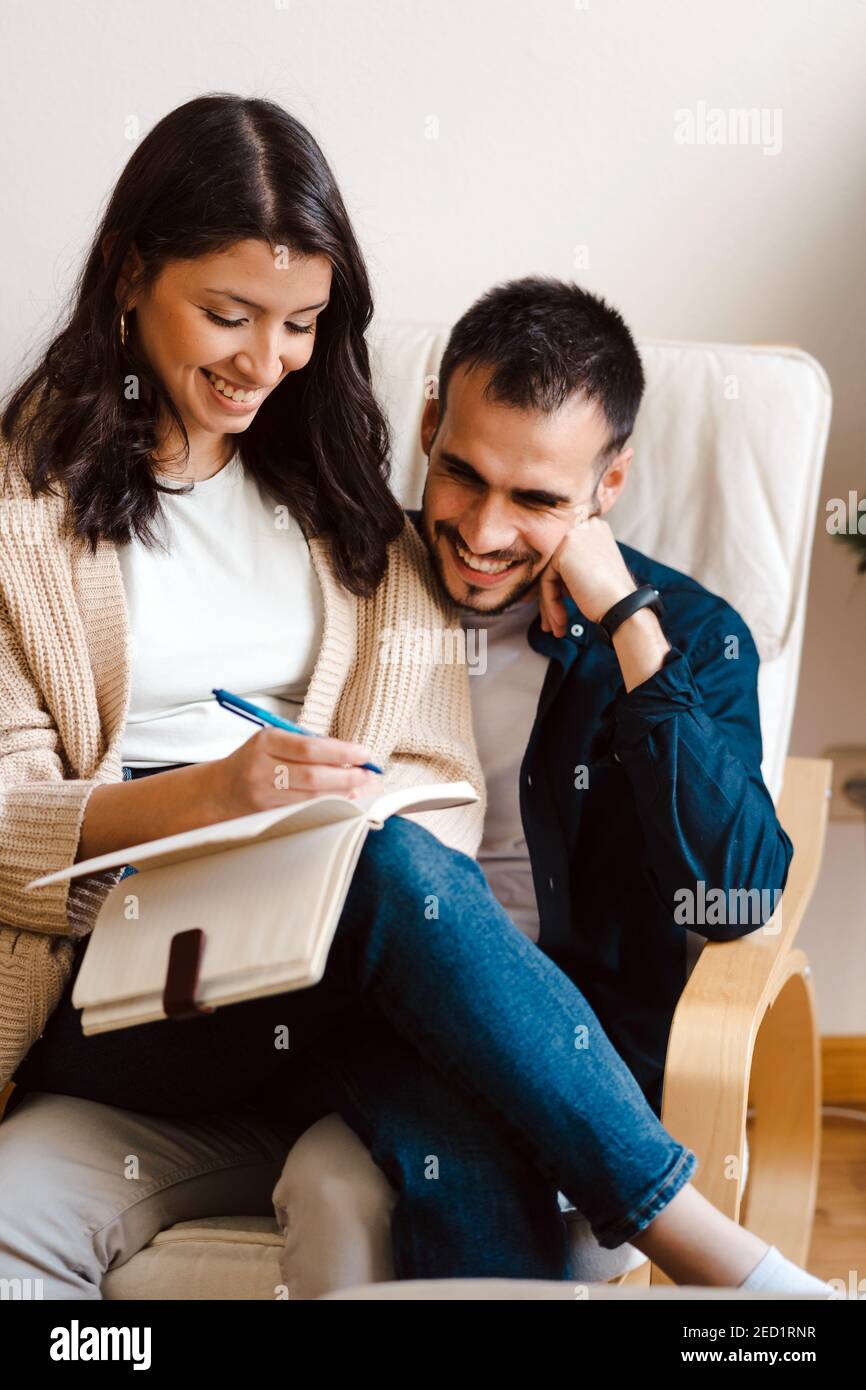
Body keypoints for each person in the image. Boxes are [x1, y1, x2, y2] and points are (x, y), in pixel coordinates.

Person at [0, 93, 838, 1301]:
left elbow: (718, 885)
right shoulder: (71, 526)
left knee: (442, 1100)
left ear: (607, 489)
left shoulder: (387, 531)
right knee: (386, 879)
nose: (486, 533)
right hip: (150, 974)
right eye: (228, 315)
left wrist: (619, 624)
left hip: (366, 989)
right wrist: (214, 802)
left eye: (297, 324)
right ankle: (713, 1252)